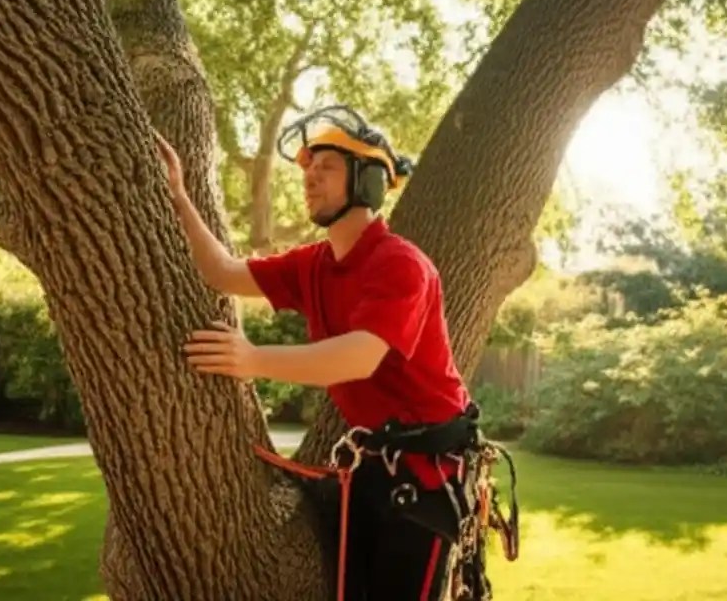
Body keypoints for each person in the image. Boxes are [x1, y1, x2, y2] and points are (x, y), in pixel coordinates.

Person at [157, 106, 515, 600]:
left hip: (427, 479)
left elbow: (358, 357)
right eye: (306, 169)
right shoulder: (314, 265)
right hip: (372, 468)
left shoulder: (401, 265)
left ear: (368, 181)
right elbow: (224, 273)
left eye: (325, 167)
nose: (309, 179)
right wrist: (177, 198)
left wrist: (251, 358)